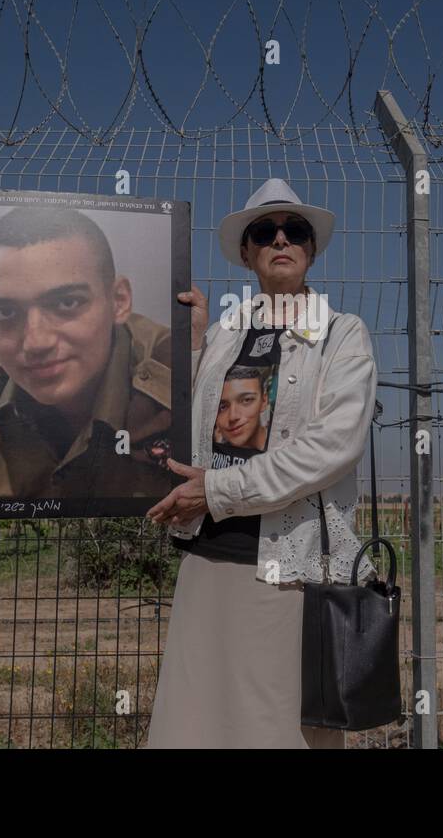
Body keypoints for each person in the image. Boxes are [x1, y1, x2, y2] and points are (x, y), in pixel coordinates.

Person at [144, 176, 379, 749]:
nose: (280, 238)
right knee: (195, 724)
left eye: (294, 230)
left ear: (311, 249)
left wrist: (220, 490)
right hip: (208, 557)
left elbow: (331, 447)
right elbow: (185, 431)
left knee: (273, 728)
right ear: (246, 252)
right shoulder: (223, 335)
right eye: (264, 231)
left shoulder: (343, 337)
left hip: (287, 569)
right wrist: (196, 344)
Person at [0, 205, 173, 503]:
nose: (36, 342)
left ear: (119, 302)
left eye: (67, 303)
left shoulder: (178, 377)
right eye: (6, 312)